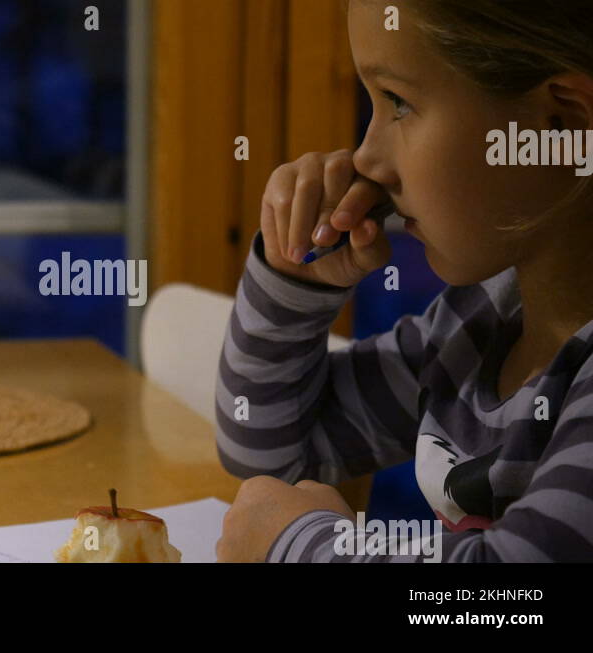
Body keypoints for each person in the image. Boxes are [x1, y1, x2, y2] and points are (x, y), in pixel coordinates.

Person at [215, 0, 593, 562]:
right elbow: (271, 451)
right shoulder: (479, 322)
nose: (366, 159)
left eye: (398, 101)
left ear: (565, 125)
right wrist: (294, 280)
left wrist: (300, 551)